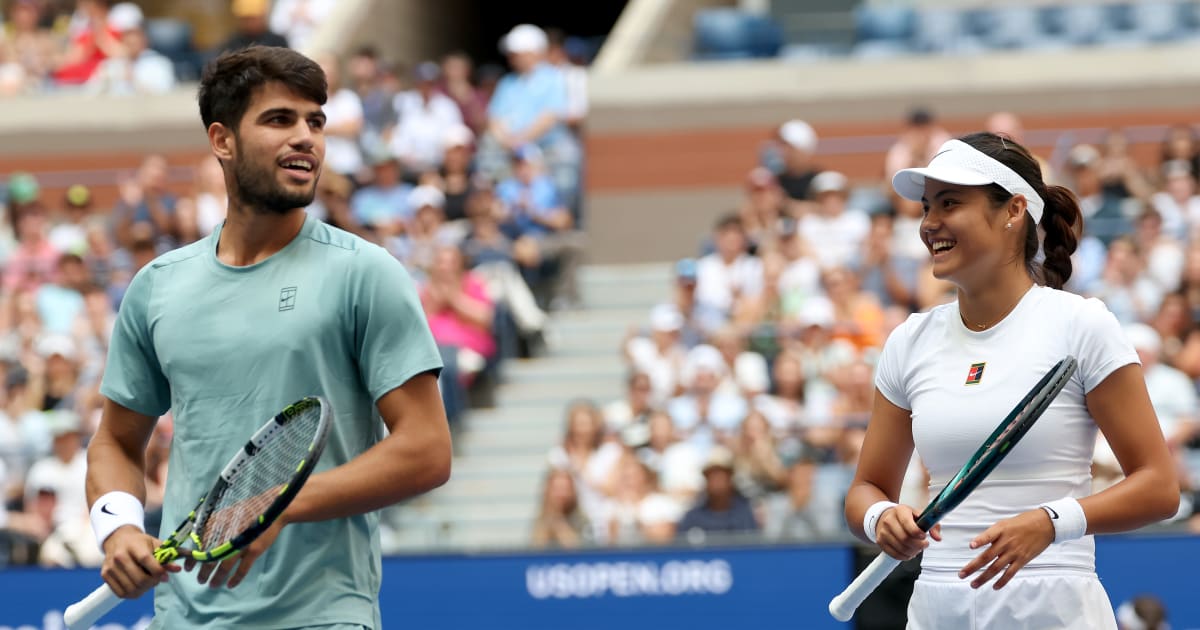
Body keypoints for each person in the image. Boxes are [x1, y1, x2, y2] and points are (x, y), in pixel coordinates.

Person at [82, 46, 451, 628]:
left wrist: (275, 508)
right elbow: (117, 442)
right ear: (222, 141)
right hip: (182, 618)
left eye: (316, 122)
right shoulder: (157, 287)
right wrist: (119, 526)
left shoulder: (367, 273)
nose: (306, 137)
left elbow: (427, 450)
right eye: (280, 120)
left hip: (322, 616)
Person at [844, 131, 1178, 629]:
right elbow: (866, 488)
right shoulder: (909, 341)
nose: (930, 224)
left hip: (1054, 607)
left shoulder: (1082, 326)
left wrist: (1052, 522)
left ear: (1013, 210)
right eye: (926, 208)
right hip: (938, 609)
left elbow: (1159, 487)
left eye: (950, 203)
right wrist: (880, 518)